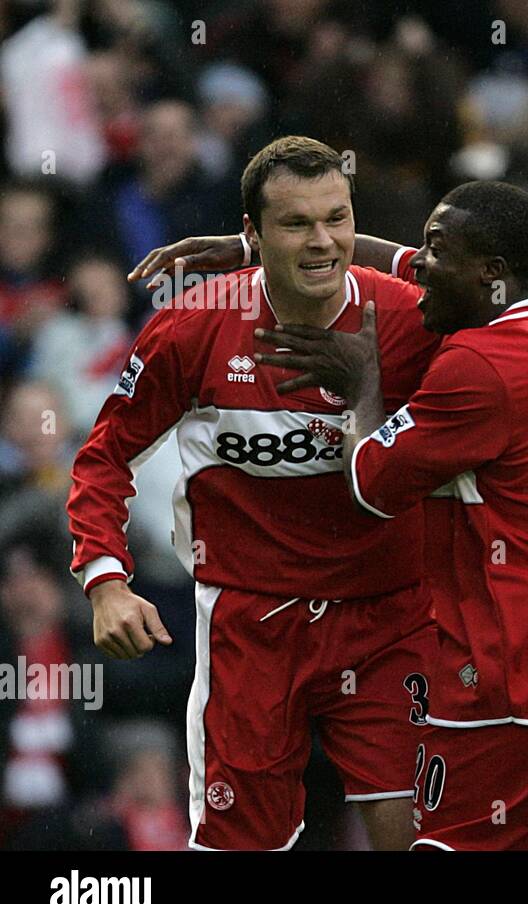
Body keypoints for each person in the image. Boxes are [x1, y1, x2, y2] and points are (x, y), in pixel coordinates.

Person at [256, 180, 528, 851]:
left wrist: (360, 384)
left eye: (437, 250)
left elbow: (370, 483)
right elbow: (398, 260)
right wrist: (260, 246)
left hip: (522, 685)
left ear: (488, 273)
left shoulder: (479, 367)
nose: (420, 263)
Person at [66, 136, 441, 851]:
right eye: (296, 224)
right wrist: (105, 582)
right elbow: (104, 454)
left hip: (391, 620)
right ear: (253, 235)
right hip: (251, 625)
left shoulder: (412, 319)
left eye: (337, 218)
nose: (324, 241)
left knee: (419, 839)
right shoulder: (195, 325)